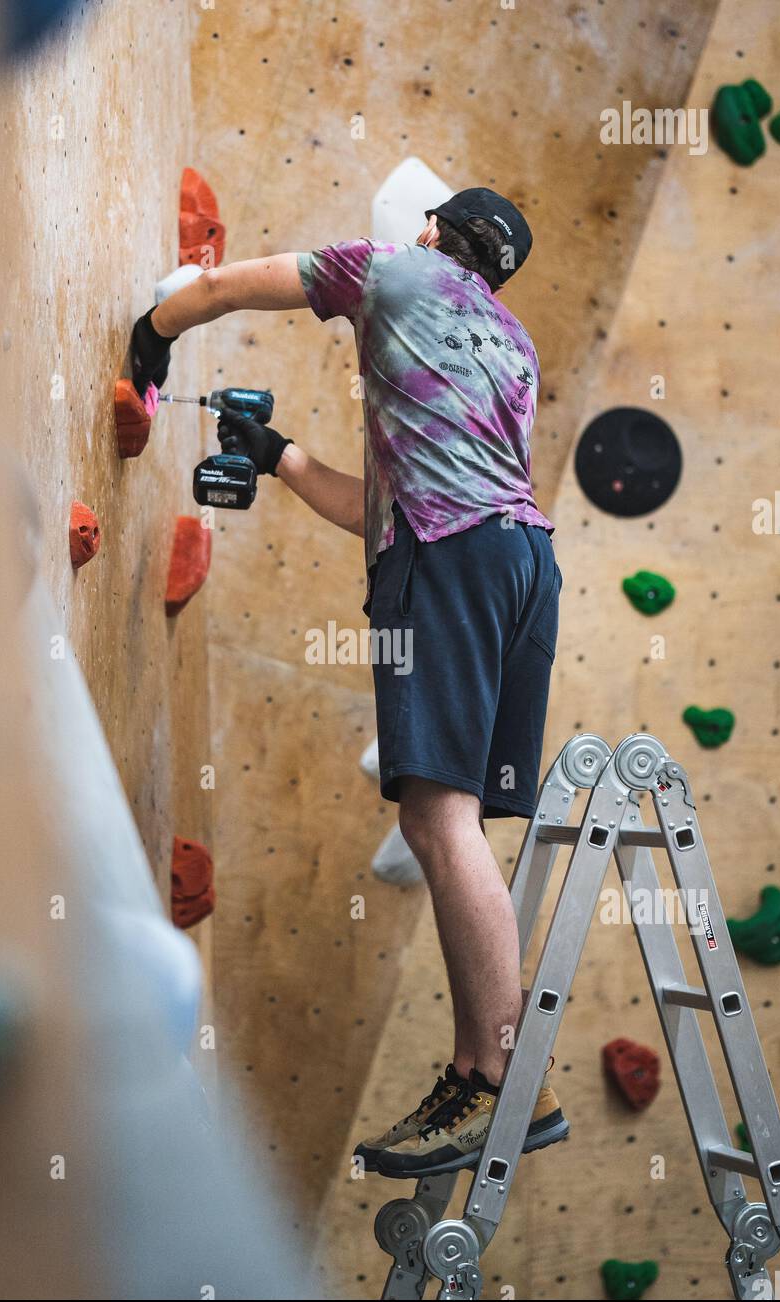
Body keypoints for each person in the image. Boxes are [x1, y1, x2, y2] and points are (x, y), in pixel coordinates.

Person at [130, 188, 567, 1180]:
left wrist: (153, 334)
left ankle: (507, 1078)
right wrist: (273, 455)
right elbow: (377, 501)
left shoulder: (392, 271)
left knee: (439, 824)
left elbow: (239, 284)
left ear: (428, 232)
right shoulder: (509, 343)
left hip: (449, 563)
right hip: (520, 566)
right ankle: (480, 1066)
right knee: (443, 823)